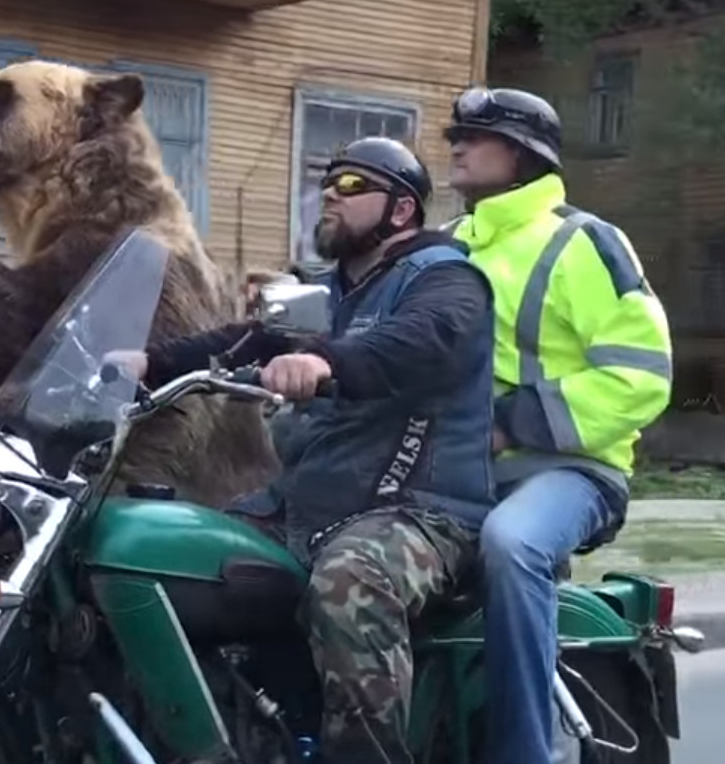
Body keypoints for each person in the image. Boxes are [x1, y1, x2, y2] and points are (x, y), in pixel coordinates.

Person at [115, 137, 497, 764]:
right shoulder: (327, 293)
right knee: (168, 552)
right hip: (309, 502)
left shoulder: (447, 279)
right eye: (327, 182)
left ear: (401, 211)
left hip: (420, 509)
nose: (329, 194)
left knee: (353, 582)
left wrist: (323, 359)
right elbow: (250, 340)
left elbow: (416, 344)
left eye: (351, 186)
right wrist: (150, 362)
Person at [440, 86, 674, 764]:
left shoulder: (585, 242)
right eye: (455, 132)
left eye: (473, 135)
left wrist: (510, 425)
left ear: (519, 154)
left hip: (572, 470)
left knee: (511, 545)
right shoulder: (449, 245)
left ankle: (524, 754)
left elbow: (642, 375)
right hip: (454, 466)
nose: (455, 143)